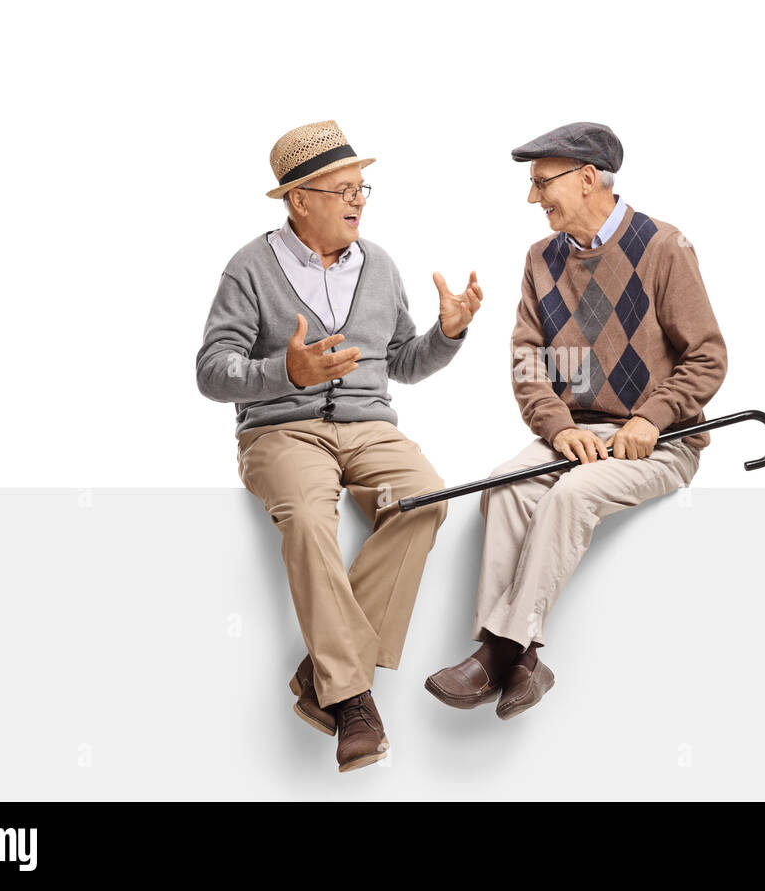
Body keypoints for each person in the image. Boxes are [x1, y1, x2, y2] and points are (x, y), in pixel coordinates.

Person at [197, 120, 482, 770]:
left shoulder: (379, 264)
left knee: (422, 498)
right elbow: (213, 373)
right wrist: (284, 374)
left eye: (363, 188)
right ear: (300, 199)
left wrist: (448, 331)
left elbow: (403, 362)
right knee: (306, 518)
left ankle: (319, 675)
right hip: (281, 432)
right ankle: (351, 697)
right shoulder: (249, 268)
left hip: (370, 430)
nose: (358, 201)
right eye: (343, 189)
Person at [426, 121, 727, 720]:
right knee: (505, 486)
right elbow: (526, 359)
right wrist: (558, 426)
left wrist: (652, 416)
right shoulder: (542, 259)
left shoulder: (664, 246)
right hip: (576, 432)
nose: (533, 199)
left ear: (589, 179)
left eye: (541, 184)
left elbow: (708, 356)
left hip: (661, 441)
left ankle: (497, 653)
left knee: (572, 494)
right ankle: (523, 663)